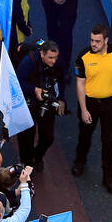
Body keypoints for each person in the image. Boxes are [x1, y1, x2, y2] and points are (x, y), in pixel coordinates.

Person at [73, 22, 112, 194]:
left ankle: (108, 176)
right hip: (89, 103)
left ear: (106, 41)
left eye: (97, 41)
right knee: (85, 135)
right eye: (91, 40)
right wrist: (83, 109)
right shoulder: (83, 57)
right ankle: (80, 161)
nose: (93, 44)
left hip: (110, 104)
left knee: (109, 141)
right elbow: (80, 84)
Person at [15, 39, 66, 168]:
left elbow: (61, 80)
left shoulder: (57, 63)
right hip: (30, 101)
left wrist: (61, 98)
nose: (53, 61)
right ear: (42, 54)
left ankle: (37, 156)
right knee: (27, 135)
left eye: (55, 57)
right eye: (50, 58)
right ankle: (27, 163)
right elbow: (17, 83)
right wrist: (34, 89)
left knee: (48, 137)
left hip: (47, 101)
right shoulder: (28, 62)